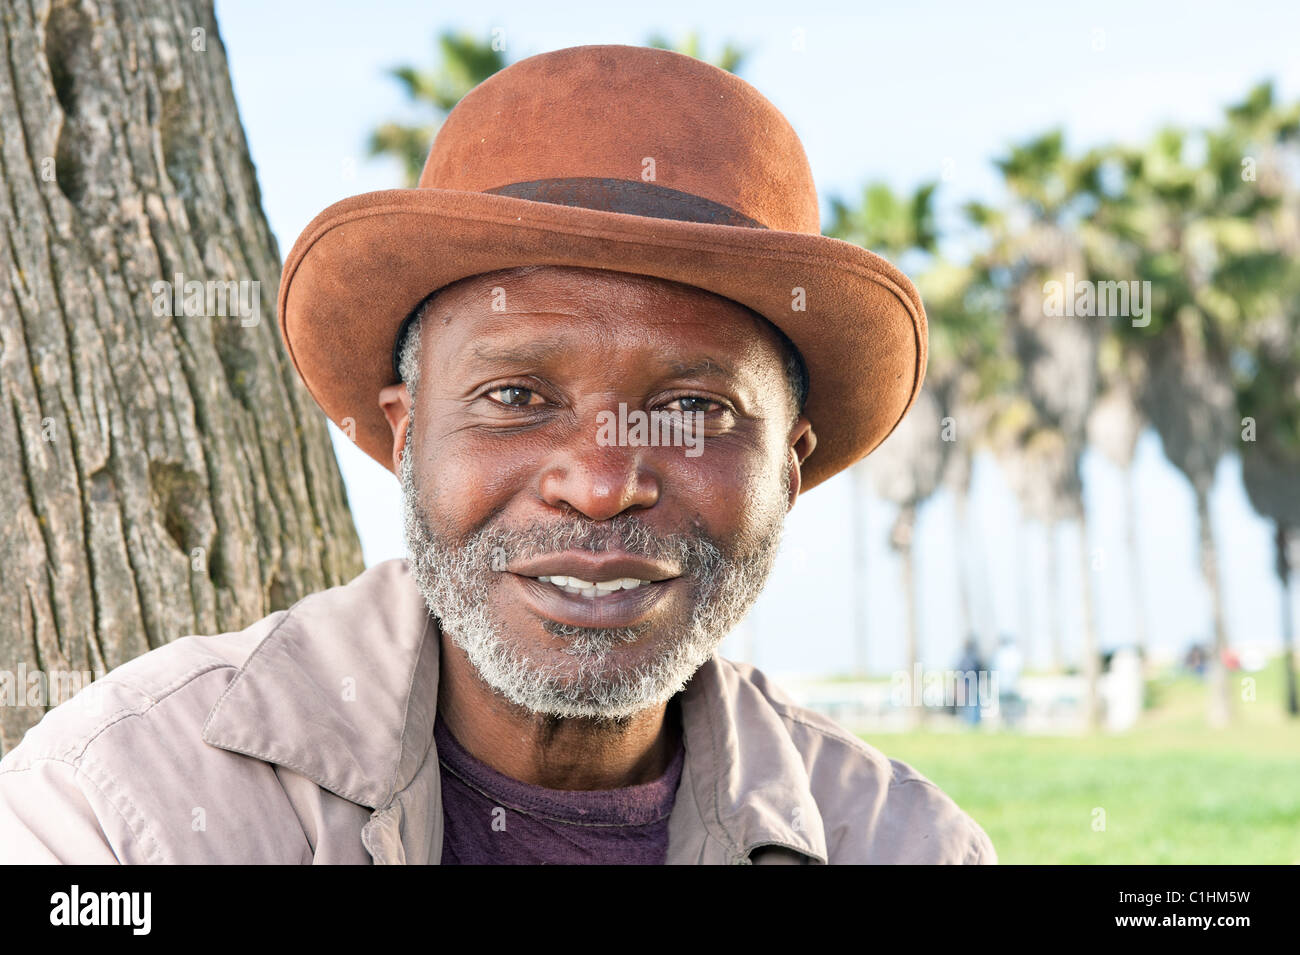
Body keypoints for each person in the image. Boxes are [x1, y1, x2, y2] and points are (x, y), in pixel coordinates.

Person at [0, 44, 995, 865]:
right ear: (405, 433)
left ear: (786, 465)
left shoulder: (906, 847)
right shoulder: (119, 809)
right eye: (515, 397)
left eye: (692, 408)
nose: (602, 484)